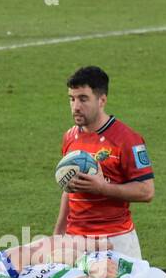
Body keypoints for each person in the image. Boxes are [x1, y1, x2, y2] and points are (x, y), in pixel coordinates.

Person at [55, 66, 154, 258]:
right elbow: (68, 190)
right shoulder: (70, 137)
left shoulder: (127, 139)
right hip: (75, 240)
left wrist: (102, 188)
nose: (76, 106)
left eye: (83, 99)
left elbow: (147, 191)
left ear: (102, 100)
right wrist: (58, 235)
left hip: (115, 241)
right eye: (72, 98)